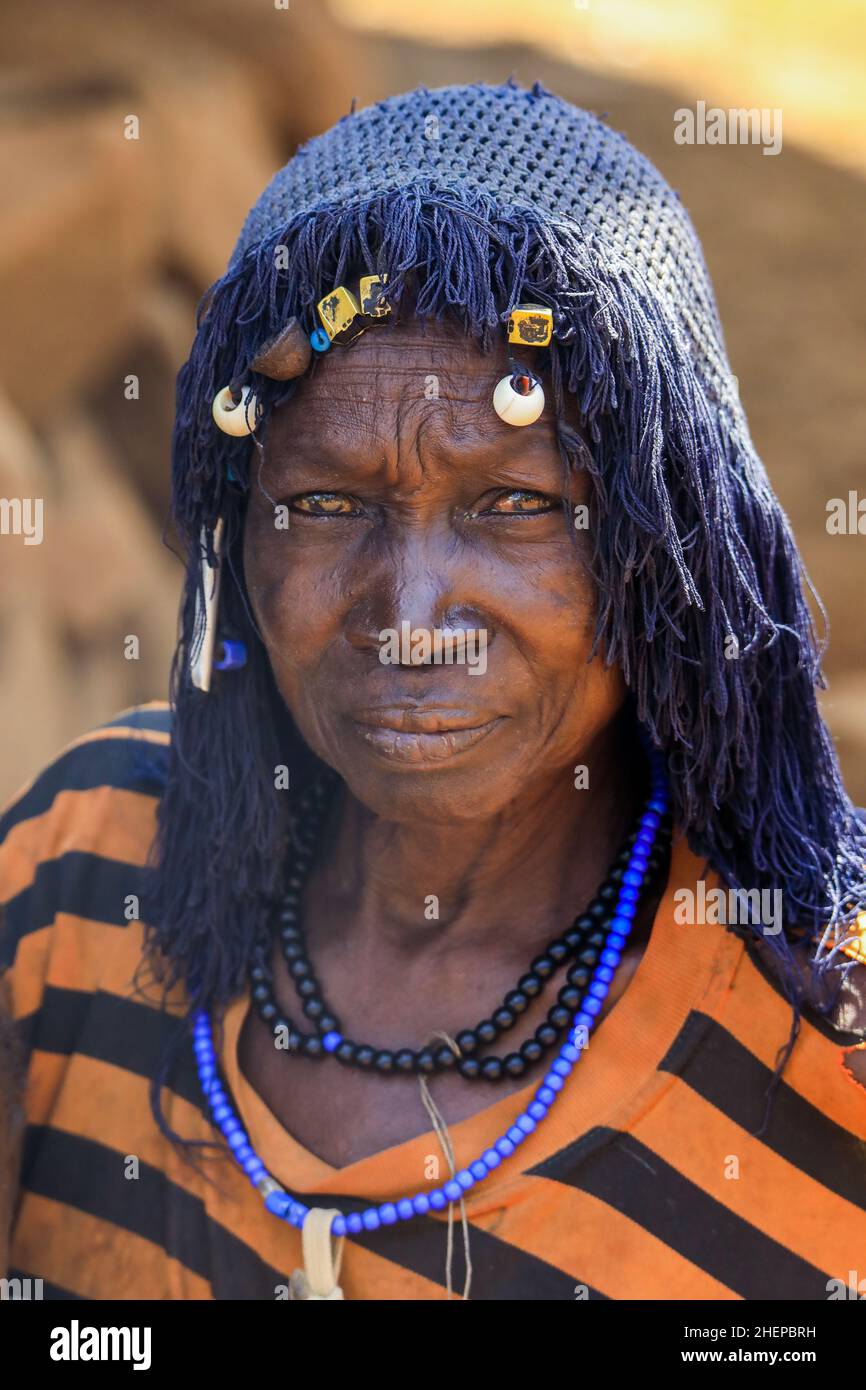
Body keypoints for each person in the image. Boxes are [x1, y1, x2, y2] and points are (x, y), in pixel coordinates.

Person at [2, 79, 866, 1302]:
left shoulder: (823, 1061)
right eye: (323, 506)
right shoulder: (80, 872)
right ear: (232, 549)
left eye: (512, 507)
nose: (408, 622)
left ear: (667, 546)